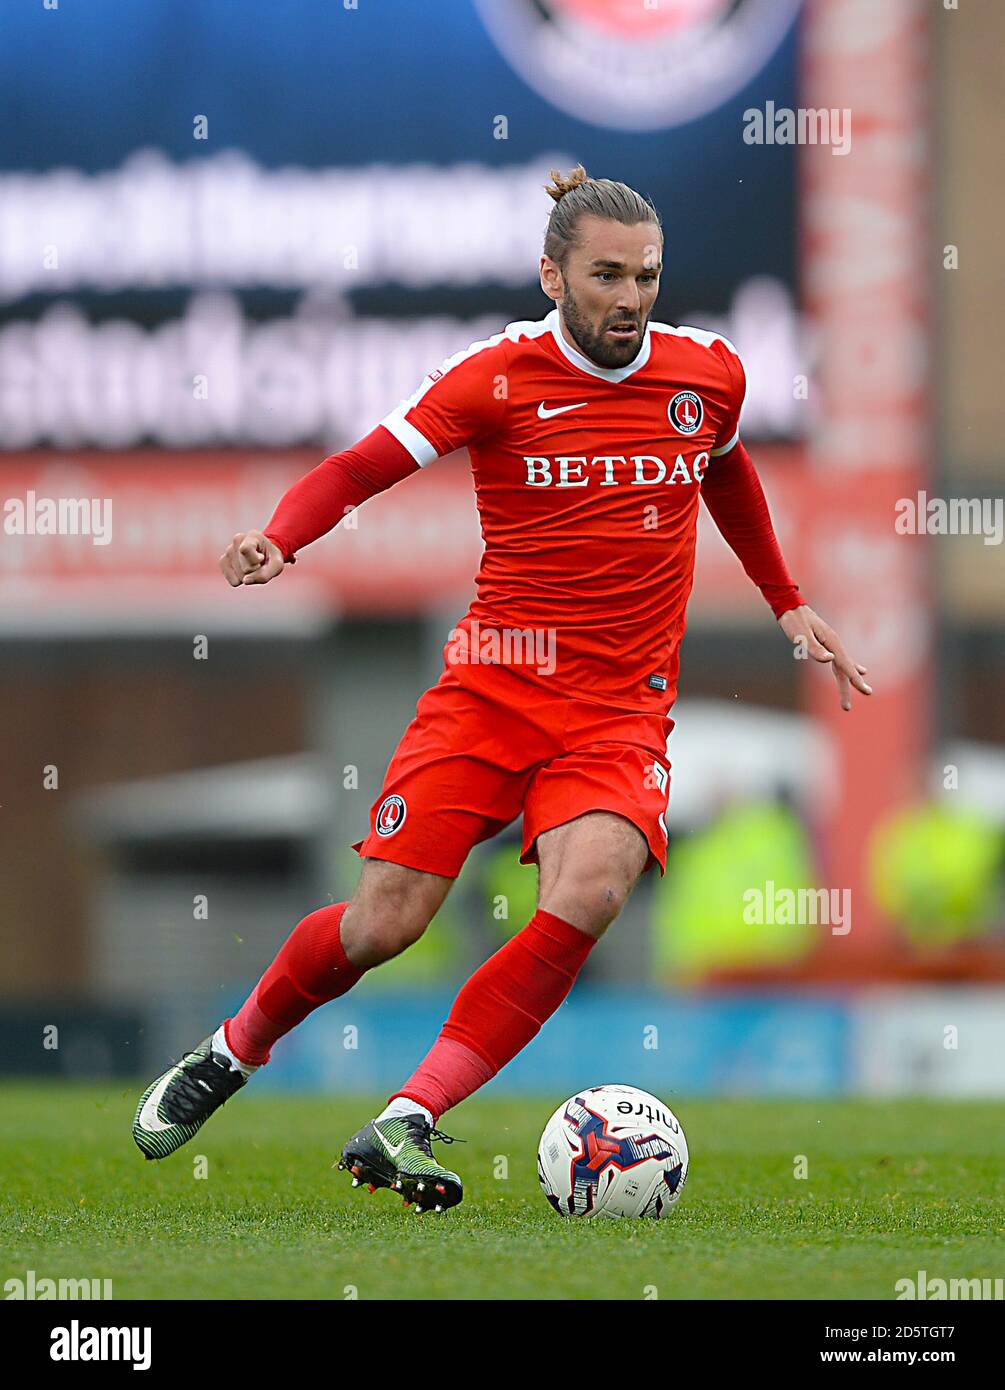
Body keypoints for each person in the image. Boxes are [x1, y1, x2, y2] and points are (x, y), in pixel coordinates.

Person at [133, 166, 871, 1212]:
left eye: (646, 276)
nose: (630, 297)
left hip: (620, 707)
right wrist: (278, 538)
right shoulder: (495, 377)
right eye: (606, 275)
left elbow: (727, 468)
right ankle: (231, 1050)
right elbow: (361, 466)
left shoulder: (709, 376)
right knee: (383, 924)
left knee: (593, 888)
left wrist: (787, 599)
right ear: (553, 273)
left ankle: (408, 1116)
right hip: (494, 685)